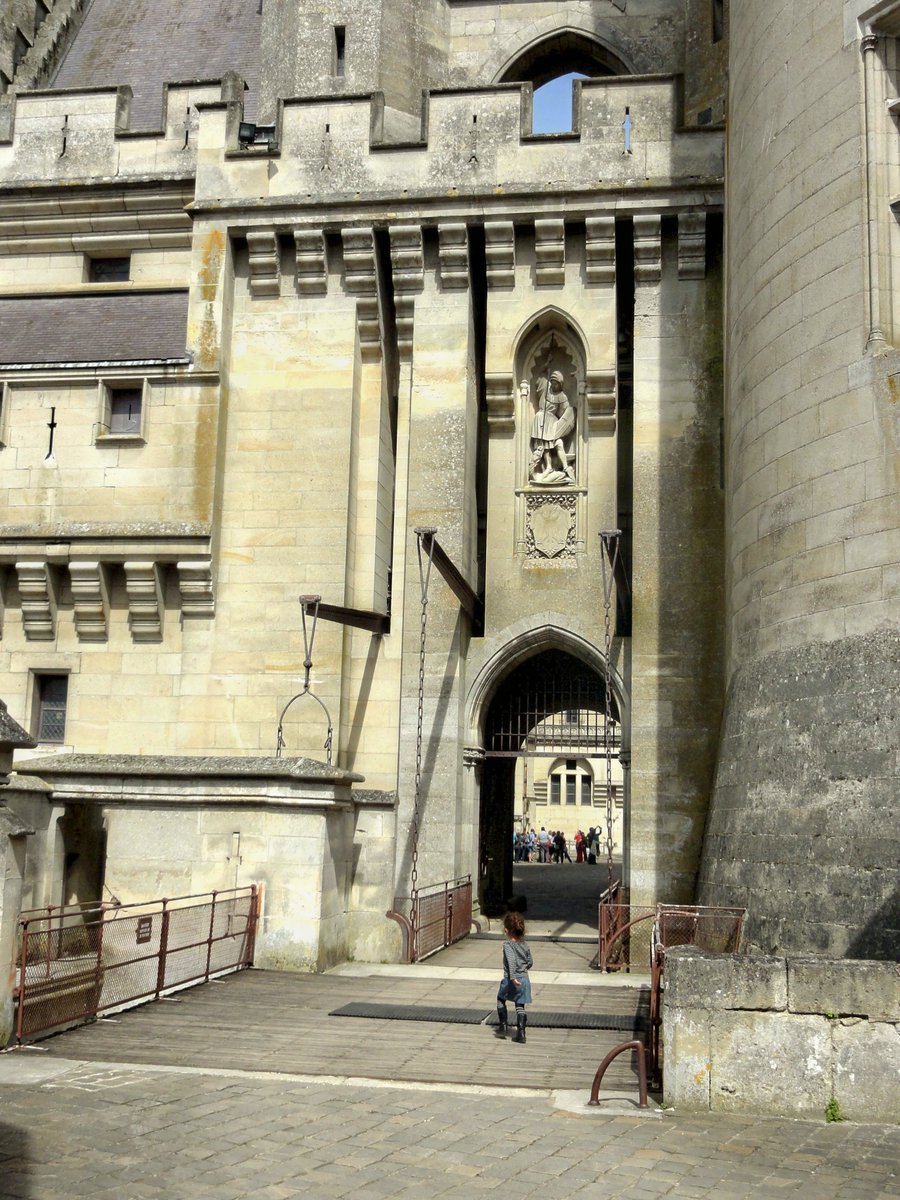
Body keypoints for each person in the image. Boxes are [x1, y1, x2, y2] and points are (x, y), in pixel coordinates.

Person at [528, 370, 575, 484]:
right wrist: (544, 367)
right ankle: (548, 467)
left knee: (557, 443)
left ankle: (564, 467)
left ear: (560, 384)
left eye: (556, 383)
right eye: (552, 382)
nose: (554, 385)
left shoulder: (562, 396)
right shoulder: (546, 389)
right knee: (544, 445)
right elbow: (539, 382)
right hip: (540, 418)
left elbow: (566, 412)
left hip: (552, 421)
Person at [494, 910, 533, 1044]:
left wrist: (512, 977)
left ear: (506, 930)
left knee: (500, 999)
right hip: (524, 979)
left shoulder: (508, 945)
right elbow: (530, 962)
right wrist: (523, 970)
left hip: (510, 979)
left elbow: (511, 961)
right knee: (520, 1005)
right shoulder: (525, 945)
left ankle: (503, 1025)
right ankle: (521, 1033)